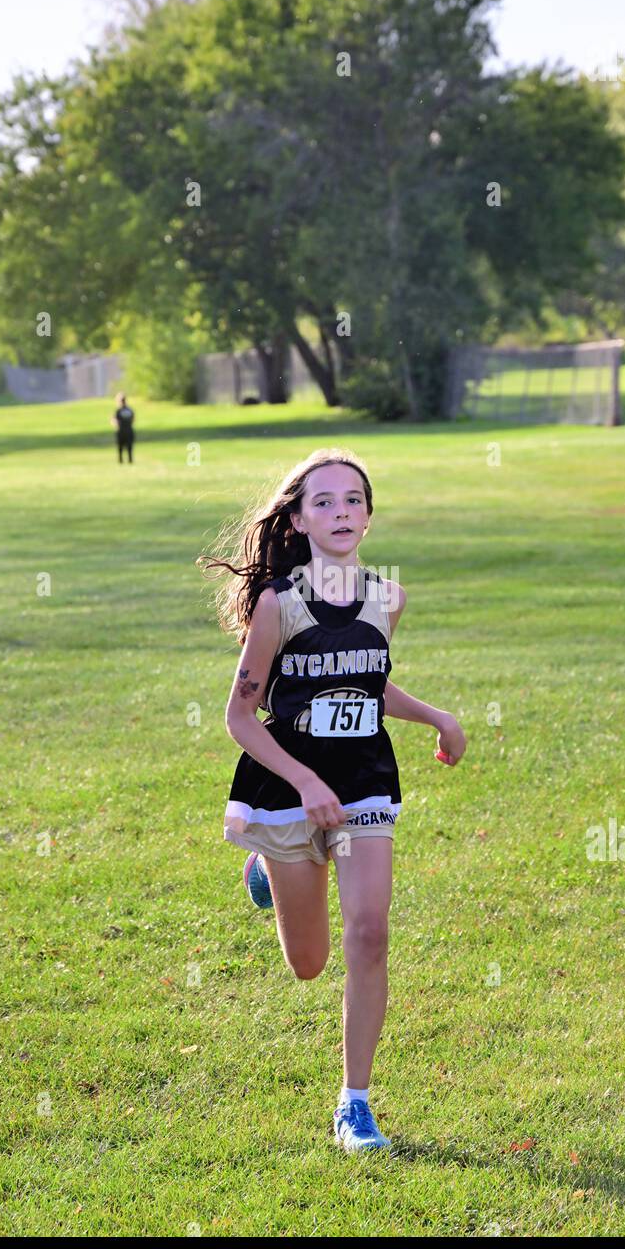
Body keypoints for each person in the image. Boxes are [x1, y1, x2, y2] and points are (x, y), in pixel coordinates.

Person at [199, 447, 466, 1152]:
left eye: (353, 500)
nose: (340, 511)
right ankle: (267, 867)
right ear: (297, 518)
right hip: (289, 786)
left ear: (370, 516)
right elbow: (239, 718)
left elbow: (367, 684)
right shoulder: (277, 606)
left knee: (370, 932)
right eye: (323, 501)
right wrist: (306, 782)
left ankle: (355, 1104)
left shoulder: (388, 598)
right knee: (309, 962)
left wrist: (437, 716)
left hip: (363, 784)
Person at [112, 392, 135, 463]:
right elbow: (114, 420)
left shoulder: (127, 410)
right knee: (121, 447)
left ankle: (129, 460)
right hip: (123, 430)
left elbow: (133, 419)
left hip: (126, 430)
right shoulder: (120, 410)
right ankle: (121, 460)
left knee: (129, 446)